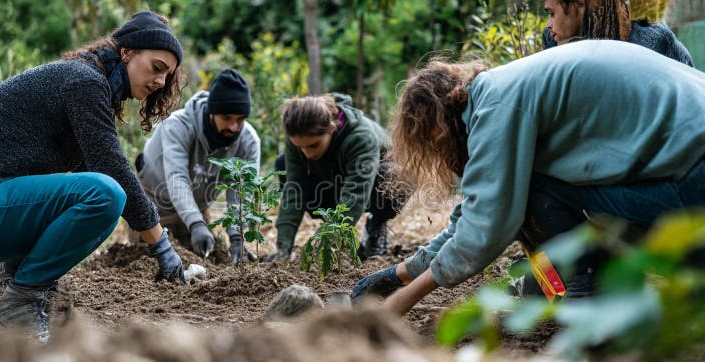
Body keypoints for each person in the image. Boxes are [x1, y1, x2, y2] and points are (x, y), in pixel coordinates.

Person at [350, 40, 705, 316]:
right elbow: (471, 217)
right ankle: (570, 288)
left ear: (440, 129)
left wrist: (401, 300)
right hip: (684, 165)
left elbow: (486, 230)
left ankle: (585, 295)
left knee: (533, 193)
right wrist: (400, 273)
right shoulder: (503, 89)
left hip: (691, 175)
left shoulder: (498, 108)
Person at [0, 11, 187, 342]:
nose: (162, 82)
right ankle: (19, 304)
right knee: (106, 194)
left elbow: (87, 167)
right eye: (157, 68)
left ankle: (17, 282)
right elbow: (111, 168)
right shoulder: (85, 82)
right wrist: (161, 245)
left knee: (87, 192)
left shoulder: (86, 82)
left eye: (168, 76)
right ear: (127, 53)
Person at [134, 68, 261, 265]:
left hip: (196, 206)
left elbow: (241, 191)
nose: (234, 127)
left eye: (240, 119)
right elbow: (177, 178)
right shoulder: (178, 126)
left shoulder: (248, 140)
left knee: (204, 262)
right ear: (211, 112)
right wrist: (195, 223)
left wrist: (237, 236)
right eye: (226, 118)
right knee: (146, 264)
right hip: (155, 206)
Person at [265, 93, 407, 262]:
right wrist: (284, 247)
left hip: (372, 183)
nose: (307, 153)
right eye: (300, 147)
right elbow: (294, 189)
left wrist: (325, 242)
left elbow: (356, 194)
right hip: (331, 181)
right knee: (283, 165)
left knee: (393, 176)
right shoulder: (298, 138)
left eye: (314, 145)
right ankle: (333, 226)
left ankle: (376, 225)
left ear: (331, 129)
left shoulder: (361, 136)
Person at [542, 0, 694, 66]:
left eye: (552, 13)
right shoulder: (551, 40)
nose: (548, 25)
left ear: (579, 4)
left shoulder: (653, 41)